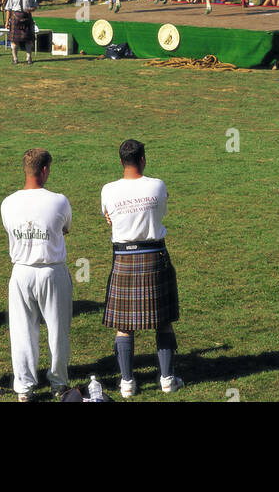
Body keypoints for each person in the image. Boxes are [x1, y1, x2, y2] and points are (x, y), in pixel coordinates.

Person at [101, 139, 183, 397]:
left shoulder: (108, 189)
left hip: (124, 259)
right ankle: (167, 379)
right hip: (153, 256)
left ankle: (127, 383)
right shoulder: (157, 185)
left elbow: (109, 219)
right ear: (143, 159)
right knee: (163, 322)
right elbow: (161, 213)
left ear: (121, 161)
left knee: (124, 325)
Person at [0, 148, 73, 401]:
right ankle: (58, 382)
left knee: (22, 331)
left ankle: (24, 387)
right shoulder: (59, 200)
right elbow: (65, 228)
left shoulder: (8, 203)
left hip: (21, 271)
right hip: (52, 270)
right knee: (58, 329)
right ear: (44, 170)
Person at [4, 0, 39, 66]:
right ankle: (15, 59)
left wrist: (31, 9)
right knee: (14, 40)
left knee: (29, 39)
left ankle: (29, 58)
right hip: (15, 17)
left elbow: (35, 6)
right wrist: (7, 22)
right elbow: (8, 9)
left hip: (27, 17)